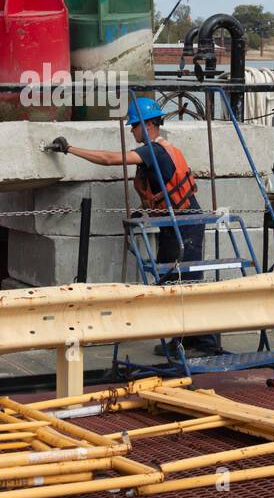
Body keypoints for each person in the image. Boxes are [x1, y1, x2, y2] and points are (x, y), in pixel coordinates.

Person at [47, 96, 224, 357]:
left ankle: (204, 343)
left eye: (134, 126)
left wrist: (70, 148)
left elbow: (109, 159)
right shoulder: (160, 151)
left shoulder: (153, 151)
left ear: (148, 124)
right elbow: (153, 190)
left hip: (185, 224)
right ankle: (185, 339)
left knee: (186, 283)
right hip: (177, 221)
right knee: (175, 282)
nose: (131, 130)